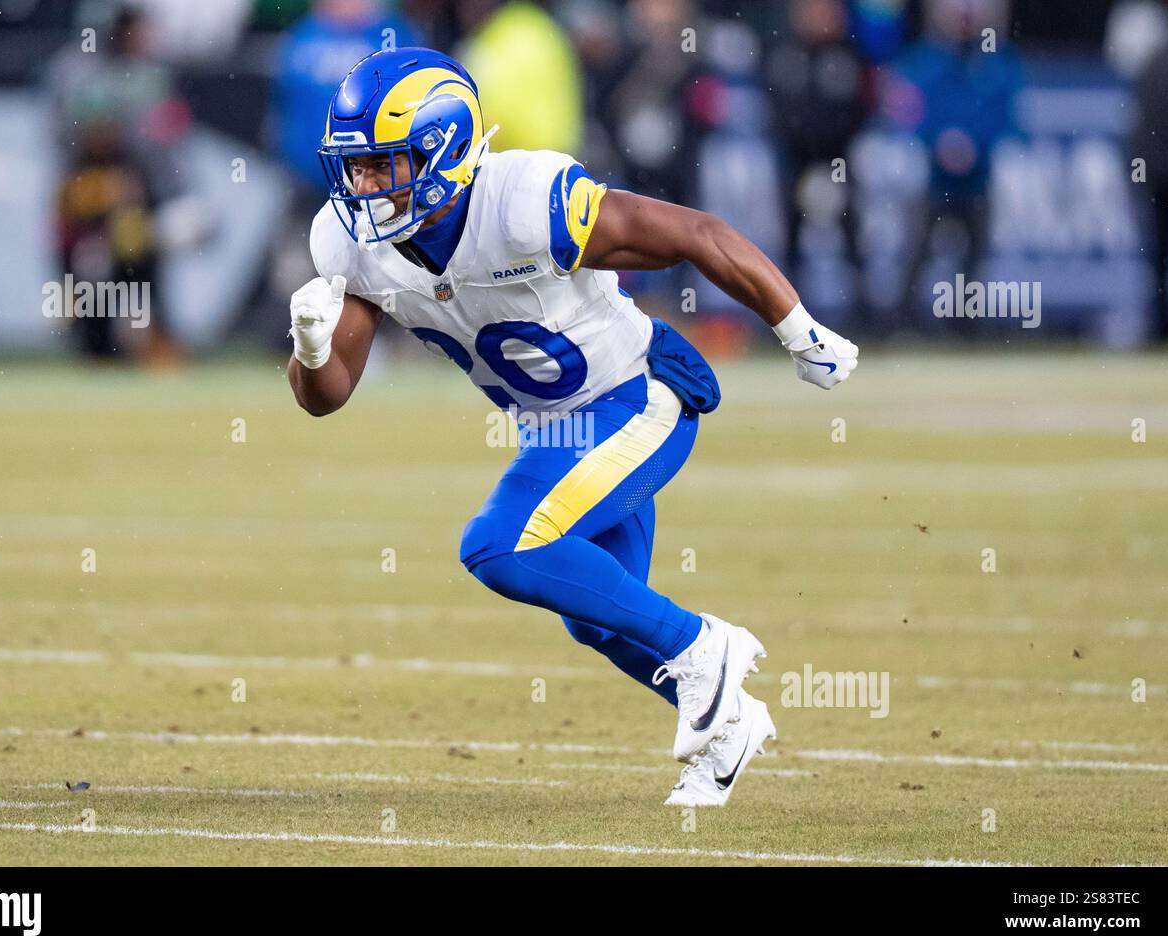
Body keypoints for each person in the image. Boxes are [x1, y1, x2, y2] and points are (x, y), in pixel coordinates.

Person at [287, 48, 859, 806]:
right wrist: (309, 347)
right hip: (555, 431)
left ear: (443, 150)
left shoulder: (524, 202)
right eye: (354, 168)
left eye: (382, 165)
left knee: (500, 545)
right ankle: (731, 728)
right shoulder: (352, 242)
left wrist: (797, 328)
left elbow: (693, 231)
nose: (363, 187)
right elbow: (327, 396)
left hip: (639, 397)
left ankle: (707, 648)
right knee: (596, 613)